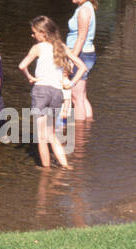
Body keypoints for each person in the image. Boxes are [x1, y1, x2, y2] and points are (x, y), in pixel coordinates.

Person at [18, 16, 87, 168]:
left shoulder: (38, 47)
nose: (32, 35)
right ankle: (66, 166)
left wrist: (31, 77)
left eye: (34, 32)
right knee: (51, 135)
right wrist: (71, 83)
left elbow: (22, 66)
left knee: (42, 137)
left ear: (43, 33)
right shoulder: (62, 47)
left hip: (41, 91)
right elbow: (82, 67)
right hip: (57, 93)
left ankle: (46, 170)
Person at [63, 0, 98, 120]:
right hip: (85, 54)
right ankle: (87, 126)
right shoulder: (84, 7)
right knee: (82, 96)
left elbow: (81, 38)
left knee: (76, 97)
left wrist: (72, 60)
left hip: (81, 54)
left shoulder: (84, 10)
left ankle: (79, 135)